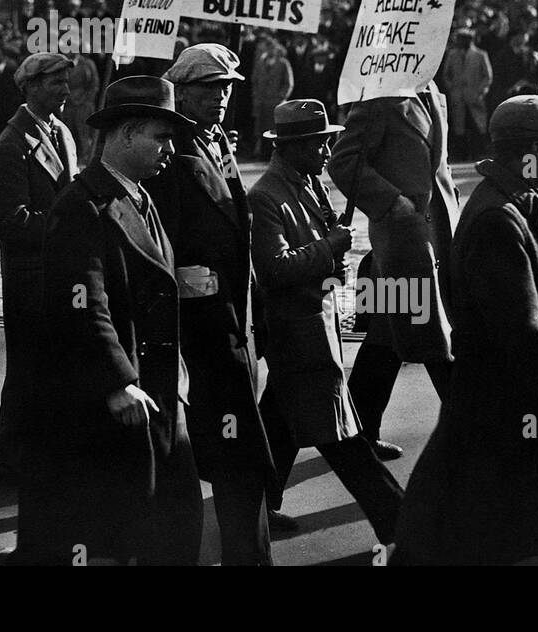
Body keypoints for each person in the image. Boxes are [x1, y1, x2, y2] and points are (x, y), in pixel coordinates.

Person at [392, 96, 538, 565]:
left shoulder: (523, 202)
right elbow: (523, 334)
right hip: (508, 412)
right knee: (490, 542)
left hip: (530, 409)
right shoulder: (499, 219)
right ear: (530, 151)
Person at [13, 76, 202, 564]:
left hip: (159, 390)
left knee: (171, 520)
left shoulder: (138, 195)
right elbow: (82, 304)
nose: (169, 149)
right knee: (118, 532)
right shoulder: (82, 206)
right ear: (124, 135)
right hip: (116, 399)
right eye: (160, 137)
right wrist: (117, 381)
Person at [247, 100, 403, 545]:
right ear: (291, 147)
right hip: (298, 335)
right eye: (319, 144)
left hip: (317, 328)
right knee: (343, 438)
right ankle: (401, 523)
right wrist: (330, 245)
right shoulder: (267, 196)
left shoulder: (307, 183)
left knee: (278, 423)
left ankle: (254, 504)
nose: (327, 150)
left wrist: (332, 241)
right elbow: (275, 269)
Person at [146, 43, 276, 565]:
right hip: (200, 322)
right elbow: (160, 238)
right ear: (182, 92)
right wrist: (185, 280)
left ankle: (250, 549)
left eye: (225, 89)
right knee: (228, 451)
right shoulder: (169, 151)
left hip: (234, 316)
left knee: (238, 447)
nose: (220, 98)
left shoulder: (215, 139)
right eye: (208, 89)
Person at [327, 80, 458, 461]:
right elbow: (343, 162)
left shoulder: (431, 91)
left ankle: (359, 430)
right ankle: (473, 433)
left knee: (385, 337)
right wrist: (390, 201)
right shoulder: (380, 97)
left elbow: (438, 165)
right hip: (402, 239)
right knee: (437, 341)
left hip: (436, 234)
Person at [0, 51, 76, 486]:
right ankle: (9, 461)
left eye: (65, 81)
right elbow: (7, 221)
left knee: (51, 366)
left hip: (57, 272)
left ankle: (36, 453)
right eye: (56, 82)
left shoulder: (61, 133)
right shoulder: (12, 145)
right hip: (29, 277)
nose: (65, 90)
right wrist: (64, 224)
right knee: (26, 369)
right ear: (32, 86)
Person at [442, 28, 493, 161]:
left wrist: (480, 91)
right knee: (460, 128)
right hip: (458, 97)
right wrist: (452, 89)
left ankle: (477, 154)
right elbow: (446, 74)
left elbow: (487, 76)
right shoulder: (452, 55)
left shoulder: (481, 54)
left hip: (474, 97)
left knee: (477, 126)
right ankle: (461, 155)